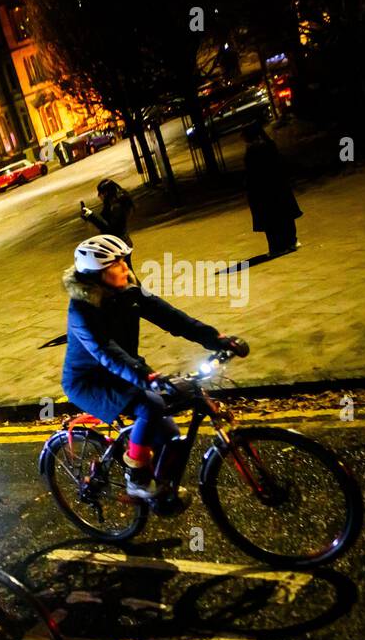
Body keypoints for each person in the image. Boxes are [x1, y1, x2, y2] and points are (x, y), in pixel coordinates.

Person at [62, 235, 249, 505]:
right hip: (90, 382)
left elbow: (175, 319)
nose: (125, 268)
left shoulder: (130, 292)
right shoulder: (81, 310)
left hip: (124, 371)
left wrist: (218, 339)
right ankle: (137, 480)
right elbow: (106, 352)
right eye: (117, 264)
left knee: (170, 435)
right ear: (97, 275)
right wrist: (149, 378)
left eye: (124, 261)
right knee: (150, 405)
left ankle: (160, 490)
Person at [242, 124, 301, 257]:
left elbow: (252, 174)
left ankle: (278, 247)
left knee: (271, 220)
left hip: (263, 191)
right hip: (279, 186)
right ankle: (291, 241)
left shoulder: (253, 151)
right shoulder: (270, 145)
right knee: (285, 216)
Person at [79, 179, 135, 261]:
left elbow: (109, 228)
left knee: (124, 271)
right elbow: (102, 219)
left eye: (100, 193)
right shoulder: (110, 205)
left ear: (106, 193)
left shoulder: (118, 206)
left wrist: (91, 215)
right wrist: (88, 216)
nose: (99, 196)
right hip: (117, 244)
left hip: (121, 245)